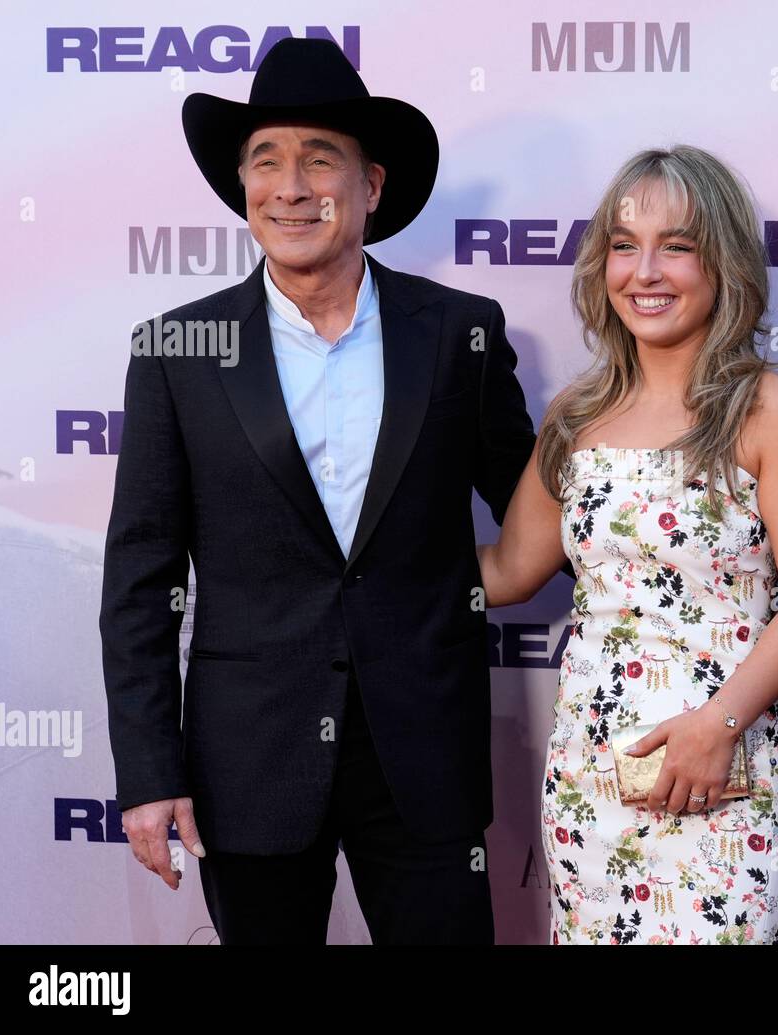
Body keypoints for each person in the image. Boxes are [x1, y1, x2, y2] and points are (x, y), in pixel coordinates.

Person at [99, 38, 538, 944]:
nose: (291, 186)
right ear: (244, 188)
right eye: (266, 161)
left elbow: (540, 503)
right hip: (248, 761)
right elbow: (141, 579)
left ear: (372, 185)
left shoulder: (460, 329)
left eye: (319, 159)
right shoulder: (175, 350)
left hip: (424, 755)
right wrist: (147, 770)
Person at [477, 145, 778, 944]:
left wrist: (718, 726)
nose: (645, 271)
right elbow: (506, 570)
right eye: (623, 243)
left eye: (676, 245)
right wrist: (348, 550)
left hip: (729, 774)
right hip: (594, 779)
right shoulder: (575, 416)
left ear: (724, 264)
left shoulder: (770, 411)